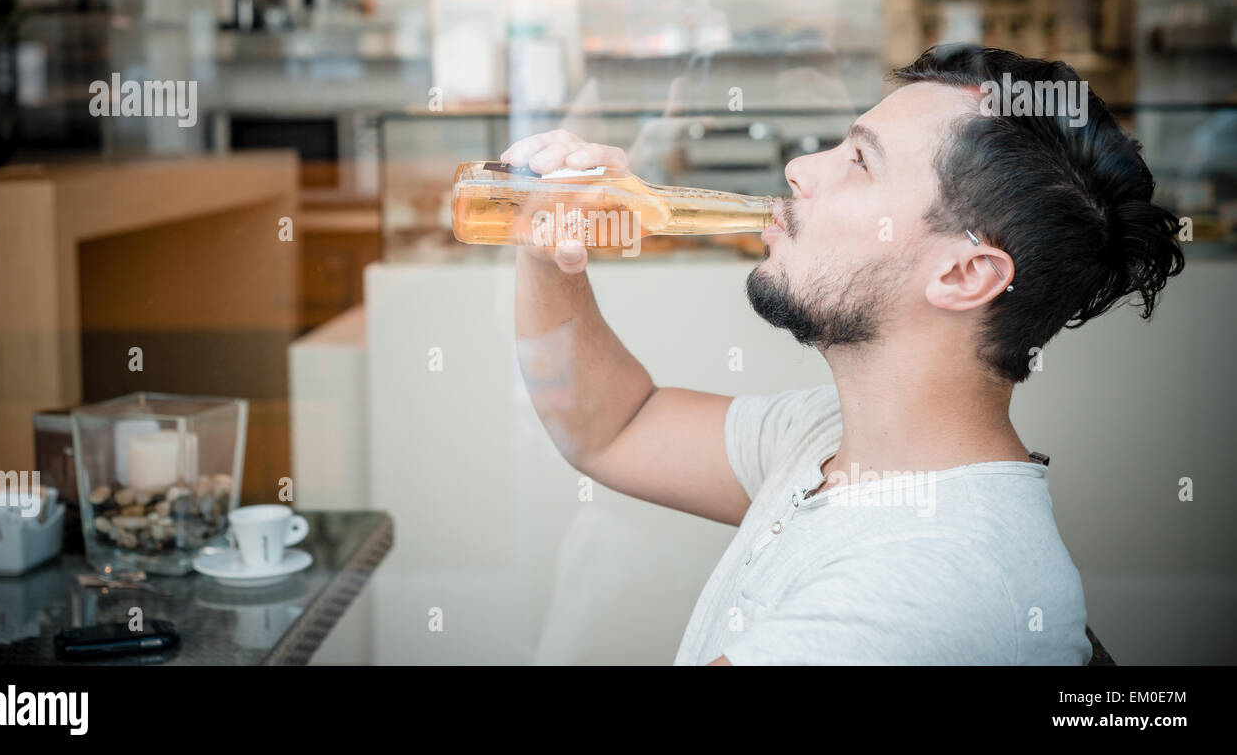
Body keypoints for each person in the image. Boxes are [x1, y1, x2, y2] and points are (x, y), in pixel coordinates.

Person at [507, 44, 1186, 665]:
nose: (800, 169)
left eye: (860, 161)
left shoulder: (935, 578)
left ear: (963, 274)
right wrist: (546, 250)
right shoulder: (829, 439)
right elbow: (611, 427)